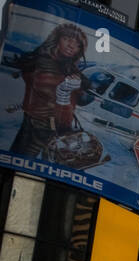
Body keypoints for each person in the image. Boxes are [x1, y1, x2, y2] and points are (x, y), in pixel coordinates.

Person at [8, 22, 89, 161]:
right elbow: (46, 88)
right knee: (21, 165)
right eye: (67, 39)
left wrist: (81, 88)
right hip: (42, 125)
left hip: (59, 126)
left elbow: (79, 99)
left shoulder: (70, 68)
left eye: (77, 44)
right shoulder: (44, 61)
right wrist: (72, 85)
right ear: (56, 39)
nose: (72, 46)